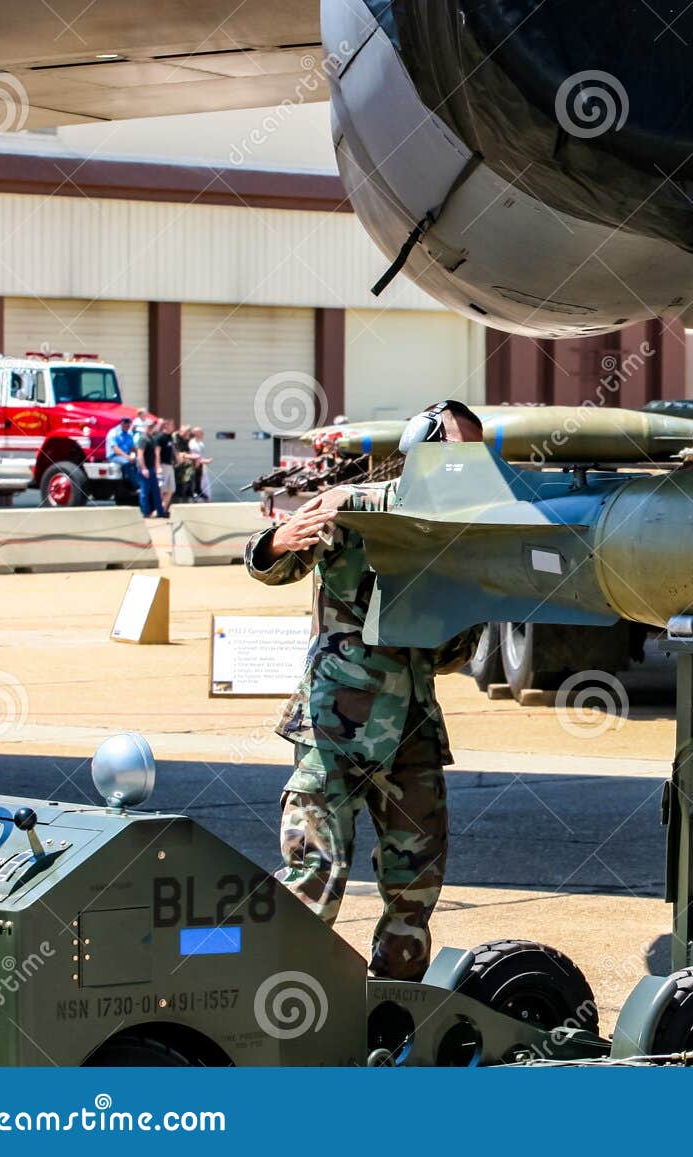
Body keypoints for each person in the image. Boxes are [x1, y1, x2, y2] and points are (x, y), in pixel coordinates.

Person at [244, 399, 484, 981]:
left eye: (475, 454)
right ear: (418, 444)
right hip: (335, 725)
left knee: (417, 884)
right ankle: (278, 1008)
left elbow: (452, 656)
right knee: (313, 877)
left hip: (411, 731)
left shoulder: (463, 531)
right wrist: (277, 541)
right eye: (455, 448)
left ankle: (395, 1011)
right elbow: (275, 564)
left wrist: (465, 603)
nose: (466, 464)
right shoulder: (352, 510)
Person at [134, 415, 164, 518]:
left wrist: (157, 468)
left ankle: (160, 512)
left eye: (153, 426)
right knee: (145, 492)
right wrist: (144, 468)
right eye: (150, 426)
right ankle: (145, 513)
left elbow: (156, 454)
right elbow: (140, 454)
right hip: (145, 470)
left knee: (156, 491)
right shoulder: (143, 438)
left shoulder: (152, 439)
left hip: (152, 469)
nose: (152, 428)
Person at [104, 416, 140, 494]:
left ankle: (141, 482)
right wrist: (128, 457)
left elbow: (132, 447)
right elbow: (116, 450)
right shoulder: (113, 433)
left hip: (125, 455)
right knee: (127, 462)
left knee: (139, 461)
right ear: (122, 424)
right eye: (127, 425)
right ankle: (135, 486)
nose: (128, 427)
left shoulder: (129, 434)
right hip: (114, 456)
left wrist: (136, 455)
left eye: (129, 425)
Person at [153, 418, 178, 514]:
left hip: (169, 466)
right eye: (172, 425)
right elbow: (157, 453)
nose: (173, 427)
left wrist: (177, 458)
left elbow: (172, 449)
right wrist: (158, 466)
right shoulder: (160, 438)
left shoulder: (170, 437)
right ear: (166, 426)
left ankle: (163, 509)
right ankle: (158, 510)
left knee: (171, 489)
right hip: (162, 466)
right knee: (161, 490)